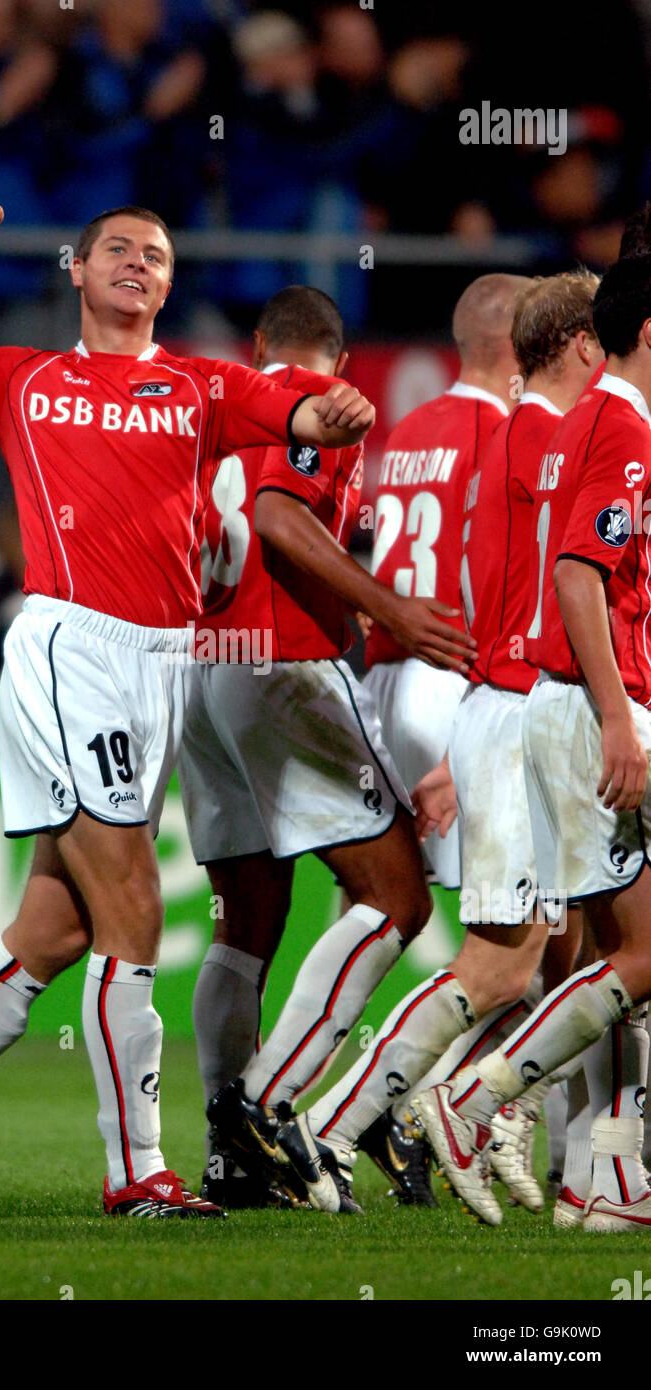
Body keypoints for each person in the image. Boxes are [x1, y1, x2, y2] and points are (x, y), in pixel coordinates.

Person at [0, 186, 373, 1219]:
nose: (137, 261)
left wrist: (326, 412)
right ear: (74, 273)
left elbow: (293, 410)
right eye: (116, 249)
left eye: (156, 254)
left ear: (169, 283)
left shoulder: (201, 386)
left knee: (56, 927)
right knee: (132, 909)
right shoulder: (23, 379)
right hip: (75, 647)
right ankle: (135, 1169)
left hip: (161, 665)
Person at [267, 271, 602, 1216]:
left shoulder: (404, 432)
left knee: (521, 934)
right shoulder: (521, 436)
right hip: (467, 673)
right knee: (515, 948)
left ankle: (426, 1109)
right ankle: (379, 1113)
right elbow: (521, 585)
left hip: (400, 671)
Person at [179, 285, 476, 1210]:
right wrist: (389, 610)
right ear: (339, 366)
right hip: (284, 667)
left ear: (259, 339)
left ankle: (228, 1149)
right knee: (396, 898)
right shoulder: (321, 413)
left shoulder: (216, 408)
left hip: (205, 670)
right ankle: (267, 1108)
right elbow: (276, 516)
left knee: (245, 922)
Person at [411, 252, 651, 1229]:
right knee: (638, 958)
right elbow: (574, 573)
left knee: (613, 954)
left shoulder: (585, 416)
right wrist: (611, 717)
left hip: (566, 704)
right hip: (594, 707)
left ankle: (599, 1180)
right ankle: (474, 1100)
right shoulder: (624, 427)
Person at [364, 273, 531, 890]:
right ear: (522, 345)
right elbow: (497, 584)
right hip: (454, 684)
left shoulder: (409, 426)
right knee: (508, 914)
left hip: (383, 683)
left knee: (394, 902)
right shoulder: (503, 437)